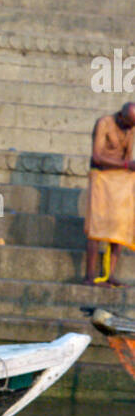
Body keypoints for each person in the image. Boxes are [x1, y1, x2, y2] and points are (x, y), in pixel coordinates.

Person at [83, 104, 135, 285]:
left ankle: (109, 274)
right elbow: (96, 156)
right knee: (96, 227)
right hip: (100, 176)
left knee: (119, 225)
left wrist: (129, 168)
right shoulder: (104, 123)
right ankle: (89, 276)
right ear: (120, 116)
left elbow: (127, 157)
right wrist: (128, 166)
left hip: (119, 179)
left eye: (132, 126)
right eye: (128, 124)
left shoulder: (130, 128)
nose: (129, 128)